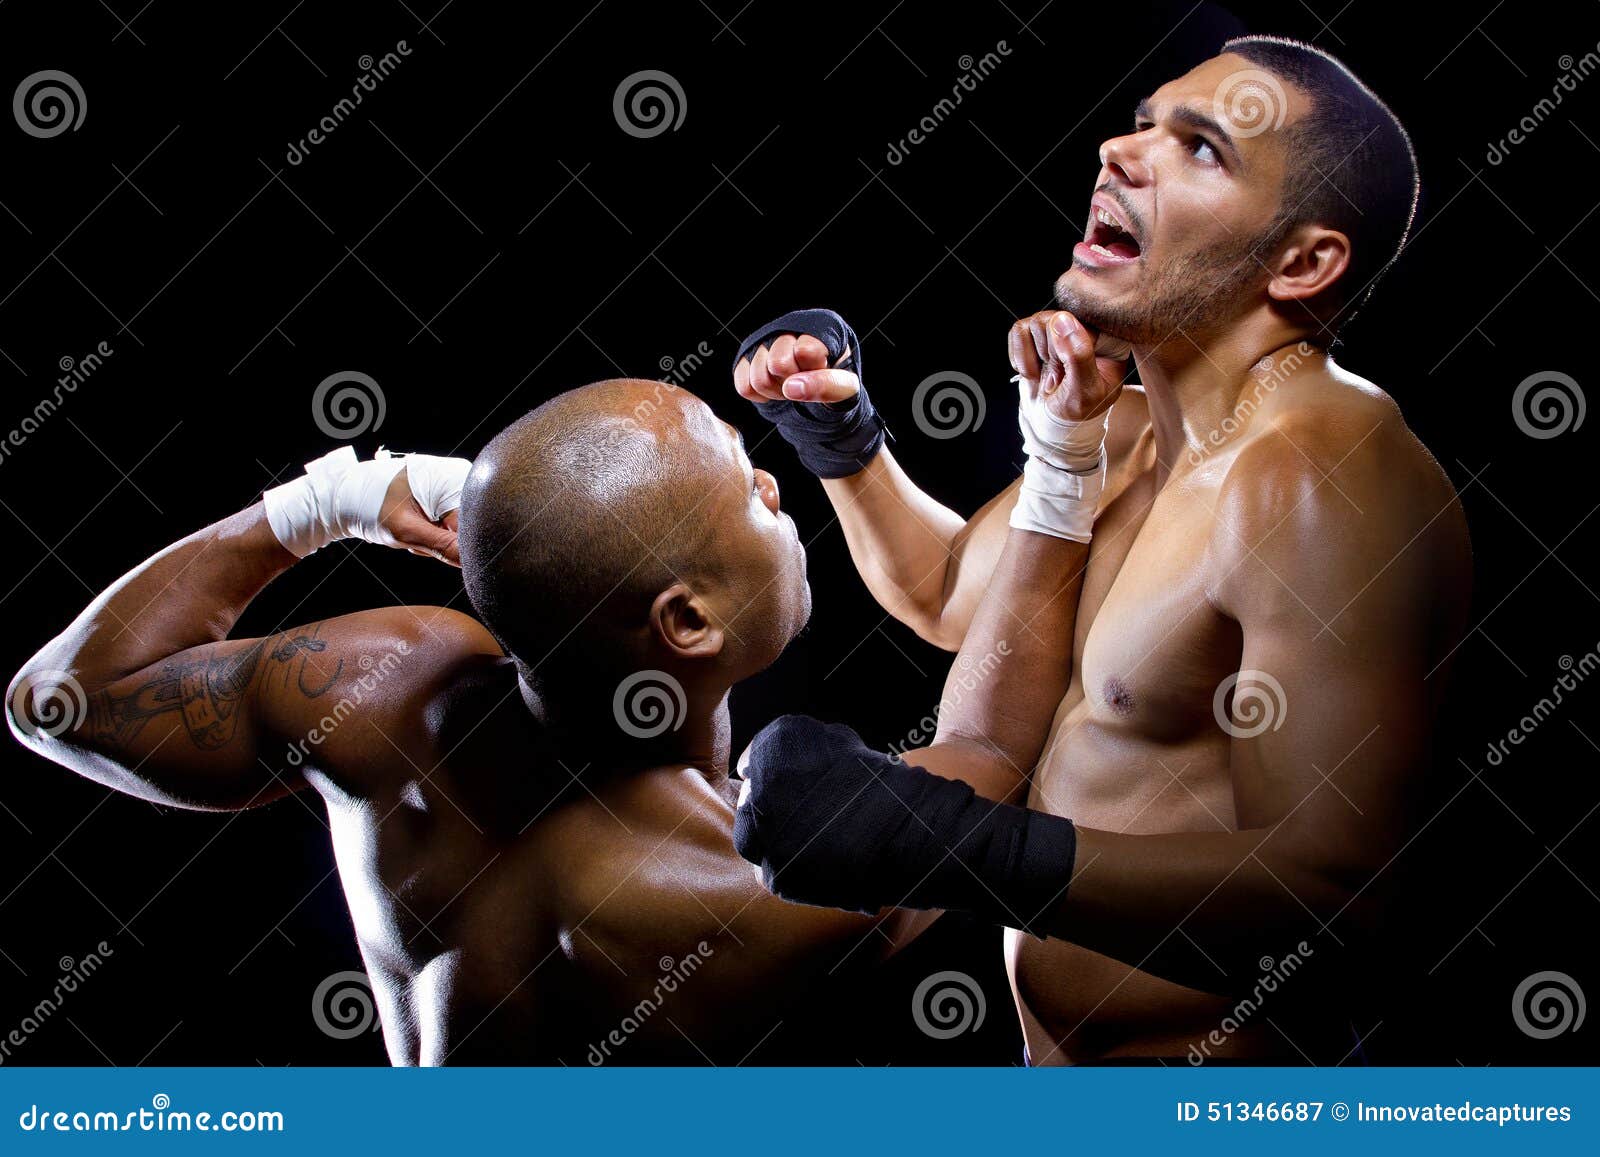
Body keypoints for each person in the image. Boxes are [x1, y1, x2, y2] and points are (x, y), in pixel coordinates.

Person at [729, 36, 1472, 1064]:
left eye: (1201, 149)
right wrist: (843, 441)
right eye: (1142, 122)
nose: (1118, 155)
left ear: (1302, 263)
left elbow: (1334, 905)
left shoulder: (1318, 473)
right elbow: (947, 594)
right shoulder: (1115, 436)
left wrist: (959, 845)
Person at [8, 380, 923, 1066]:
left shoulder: (389, 690)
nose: (771, 483)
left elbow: (62, 696)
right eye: (744, 492)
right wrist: (1060, 464)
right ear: (686, 622)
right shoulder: (761, 880)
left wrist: (332, 504)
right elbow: (1008, 762)